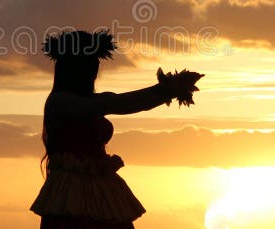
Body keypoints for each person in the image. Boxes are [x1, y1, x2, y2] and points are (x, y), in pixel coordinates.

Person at [30, 30, 204, 228]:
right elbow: (118, 103)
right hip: (70, 193)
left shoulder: (87, 101)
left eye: (96, 61)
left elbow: (119, 102)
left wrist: (167, 90)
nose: (95, 66)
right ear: (73, 65)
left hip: (103, 188)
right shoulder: (60, 102)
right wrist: (166, 89)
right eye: (89, 61)